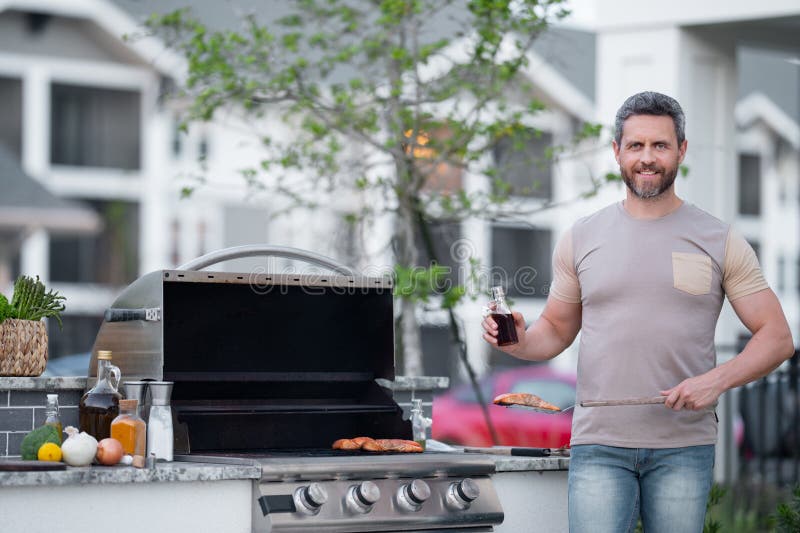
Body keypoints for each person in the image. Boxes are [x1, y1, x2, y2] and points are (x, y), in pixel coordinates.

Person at [482, 91, 794, 533]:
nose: (647, 158)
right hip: (599, 445)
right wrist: (517, 338)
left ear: (681, 151)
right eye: (636, 146)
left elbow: (777, 337)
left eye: (660, 145)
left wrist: (716, 380)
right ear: (617, 152)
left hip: (684, 446)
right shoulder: (582, 237)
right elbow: (554, 330)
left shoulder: (719, 239)